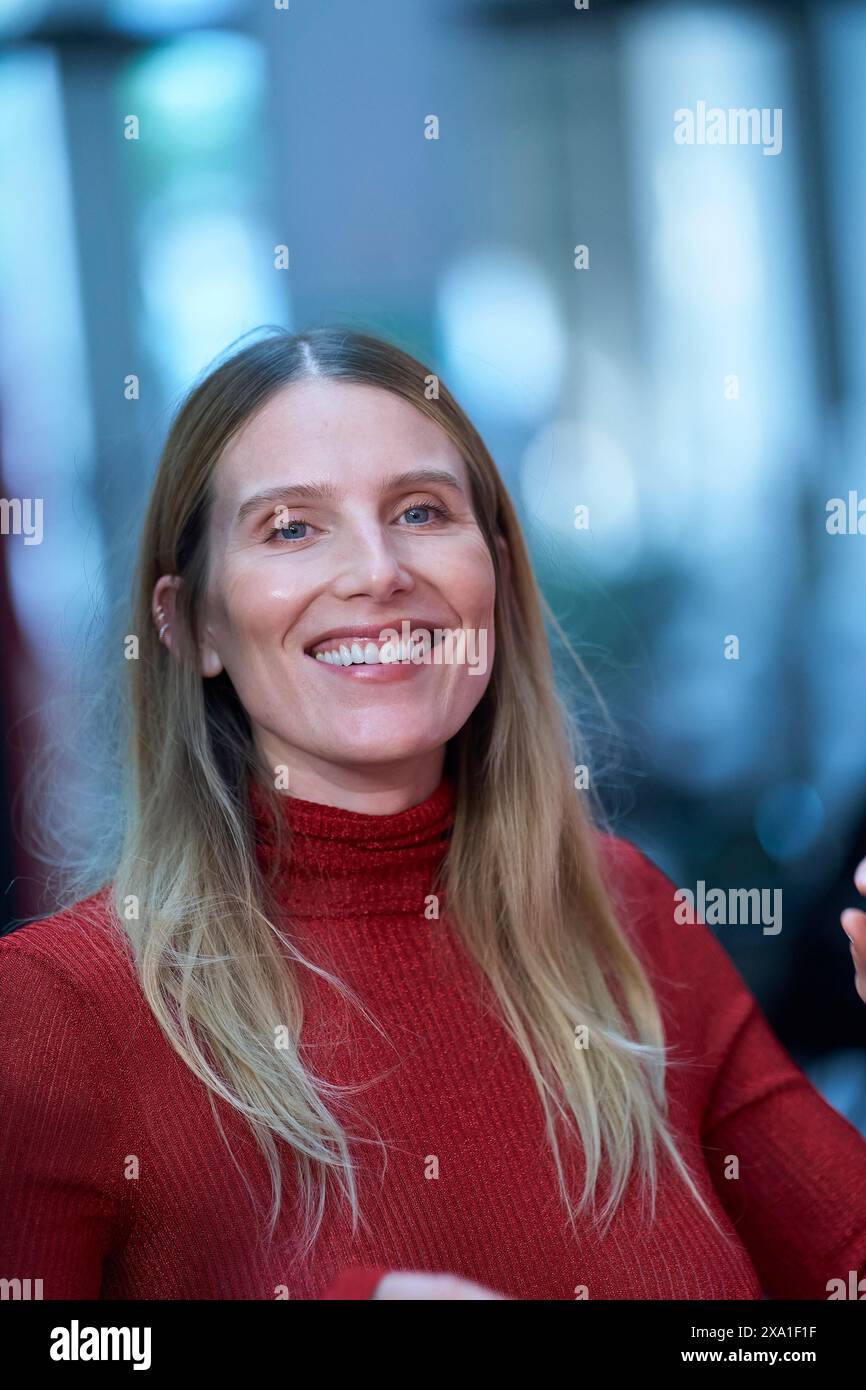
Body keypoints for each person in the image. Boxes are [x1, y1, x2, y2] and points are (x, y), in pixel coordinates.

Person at [2, 326, 865, 1301]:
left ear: (492, 570)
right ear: (192, 621)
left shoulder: (621, 911)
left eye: (420, 511)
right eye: (291, 528)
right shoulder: (54, 1012)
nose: (378, 571)